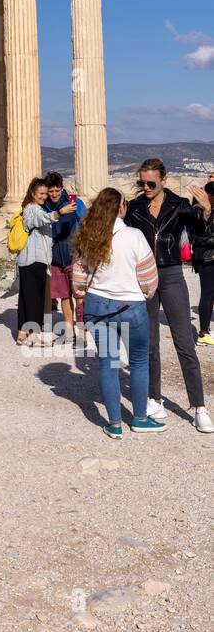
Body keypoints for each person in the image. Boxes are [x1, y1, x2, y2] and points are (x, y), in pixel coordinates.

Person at [125, 158, 213, 432]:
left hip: (172, 274)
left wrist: (208, 212)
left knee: (184, 342)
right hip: (143, 276)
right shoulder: (135, 207)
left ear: (163, 180)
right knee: (149, 342)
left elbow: (200, 231)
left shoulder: (178, 205)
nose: (146, 187)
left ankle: (199, 406)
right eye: (142, 182)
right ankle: (154, 398)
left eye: (151, 183)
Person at [72, 188, 164, 438]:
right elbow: (149, 277)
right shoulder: (134, 236)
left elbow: (79, 279)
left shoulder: (88, 235)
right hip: (131, 306)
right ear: (121, 208)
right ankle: (140, 418)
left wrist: (81, 297)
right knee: (138, 363)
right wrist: (145, 294)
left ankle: (114, 423)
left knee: (108, 365)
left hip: (98, 306)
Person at [15, 178, 75, 344]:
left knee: (26, 298)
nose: (44, 197)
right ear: (33, 194)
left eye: (45, 194)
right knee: (35, 298)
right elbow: (41, 220)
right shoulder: (33, 209)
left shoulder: (31, 208)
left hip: (30, 259)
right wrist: (60, 213)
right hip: (35, 259)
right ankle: (33, 335)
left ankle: (22, 334)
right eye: (41, 194)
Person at [44, 172, 87, 346]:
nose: (54, 194)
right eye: (51, 191)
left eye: (57, 190)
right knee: (63, 296)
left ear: (62, 188)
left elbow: (86, 224)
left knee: (79, 295)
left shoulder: (75, 203)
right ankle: (69, 331)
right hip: (55, 257)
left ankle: (81, 331)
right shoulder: (45, 207)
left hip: (74, 255)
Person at [192, 180, 214, 346]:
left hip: (209, 258)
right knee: (207, 294)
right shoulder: (198, 211)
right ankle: (203, 333)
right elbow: (200, 237)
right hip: (206, 259)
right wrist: (206, 211)